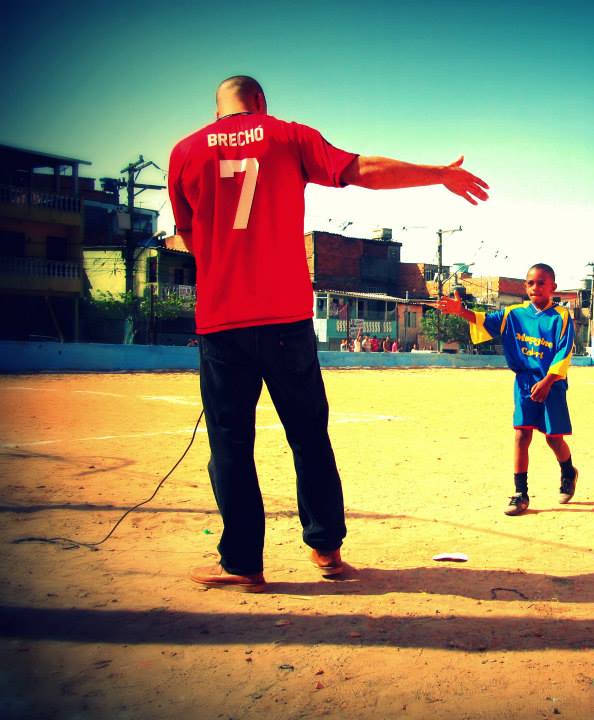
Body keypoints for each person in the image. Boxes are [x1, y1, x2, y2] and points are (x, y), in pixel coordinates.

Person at [170, 75, 489, 591]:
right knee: (308, 437)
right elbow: (361, 170)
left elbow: (188, 235)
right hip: (286, 319)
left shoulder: (184, 152)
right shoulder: (288, 136)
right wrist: (436, 174)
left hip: (223, 321)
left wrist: (227, 267)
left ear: (217, 109)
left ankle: (245, 565)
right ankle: (327, 551)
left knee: (230, 444)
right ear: (262, 103)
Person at [437, 263, 577, 517]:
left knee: (553, 438)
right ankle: (520, 493)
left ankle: (568, 471)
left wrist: (547, 382)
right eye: (531, 283)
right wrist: (461, 311)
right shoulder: (513, 314)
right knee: (521, 436)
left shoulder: (561, 317)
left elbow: (563, 353)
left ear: (553, 287)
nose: (535, 287)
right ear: (525, 286)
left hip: (551, 383)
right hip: (524, 383)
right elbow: (482, 321)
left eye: (542, 282)